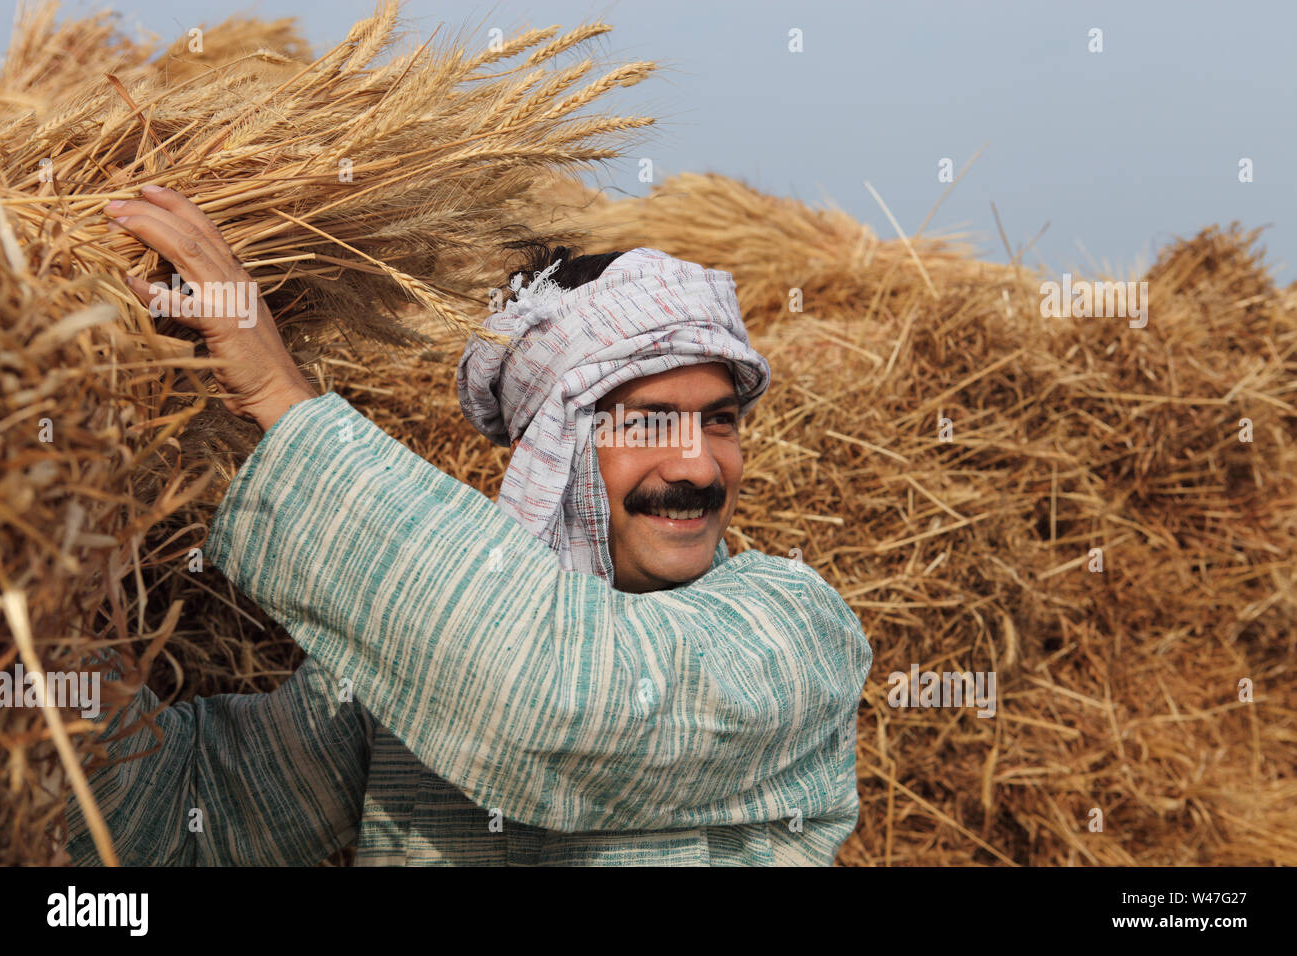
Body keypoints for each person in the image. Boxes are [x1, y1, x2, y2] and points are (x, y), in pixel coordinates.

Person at [64, 186, 872, 866]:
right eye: (650, 423)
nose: (698, 467)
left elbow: (557, 701)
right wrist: (48, 610)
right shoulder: (420, 656)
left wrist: (278, 395)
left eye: (721, 421)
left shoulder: (792, 634)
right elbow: (184, 821)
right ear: (544, 450)